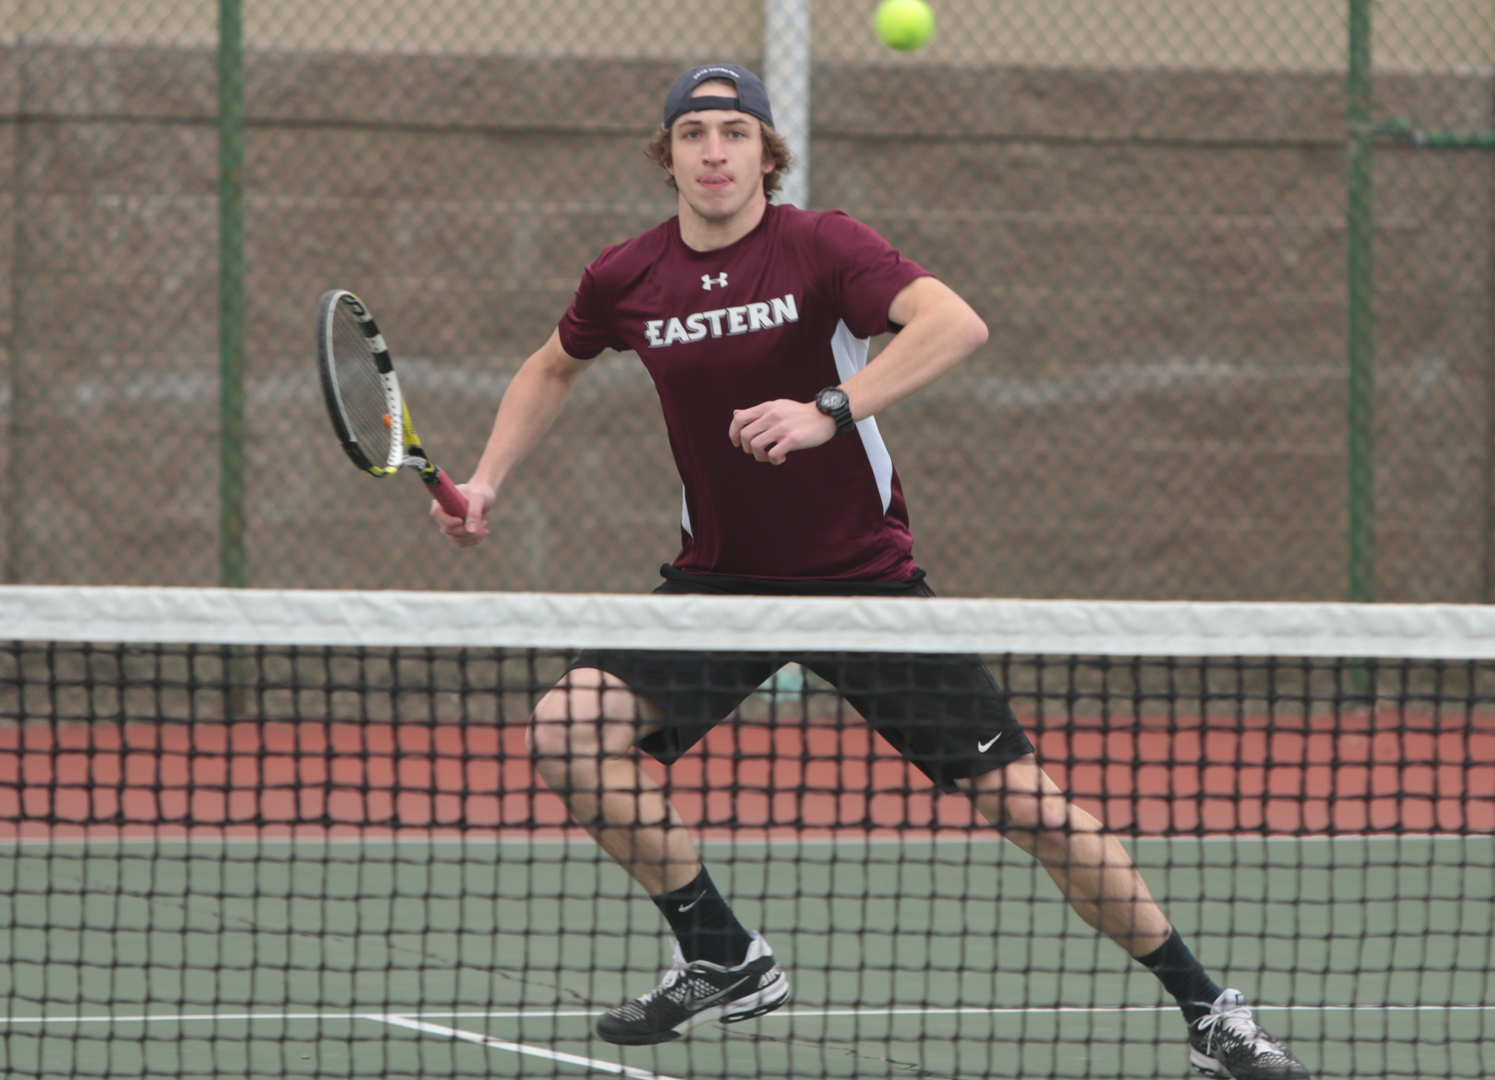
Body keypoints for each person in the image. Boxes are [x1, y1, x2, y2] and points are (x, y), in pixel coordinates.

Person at [430, 62, 1309, 1080]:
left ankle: (1210, 1015)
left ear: (767, 152)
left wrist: (831, 409)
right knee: (568, 732)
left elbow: (954, 322)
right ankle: (720, 952)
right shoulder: (627, 276)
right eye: (693, 134)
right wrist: (485, 480)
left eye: (734, 132)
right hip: (720, 586)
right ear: (666, 156)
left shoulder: (822, 245)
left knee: (1028, 807)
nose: (714, 151)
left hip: (863, 584)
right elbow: (552, 365)